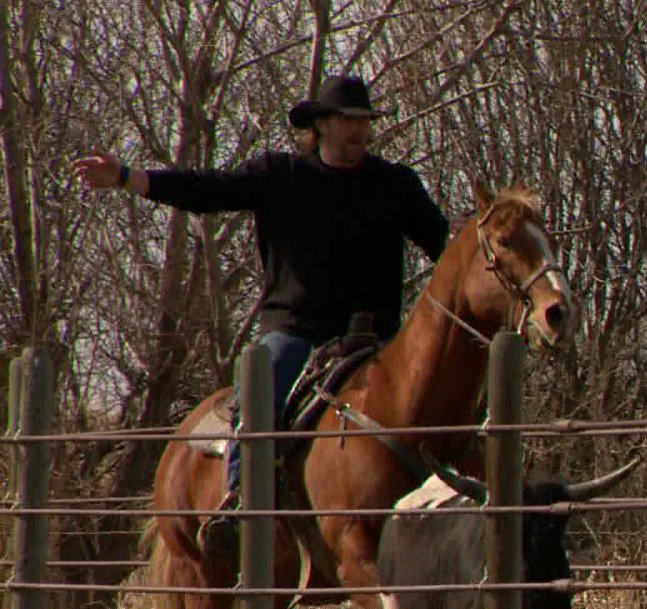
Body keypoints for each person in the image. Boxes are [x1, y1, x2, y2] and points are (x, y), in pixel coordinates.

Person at [71, 75, 450, 557]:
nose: (359, 131)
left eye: (365, 122)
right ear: (320, 125)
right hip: (298, 334)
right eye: (347, 121)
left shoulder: (395, 185)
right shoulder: (282, 177)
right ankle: (239, 501)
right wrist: (128, 177)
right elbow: (206, 190)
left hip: (375, 340)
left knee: (439, 389)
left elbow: (445, 247)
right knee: (263, 376)